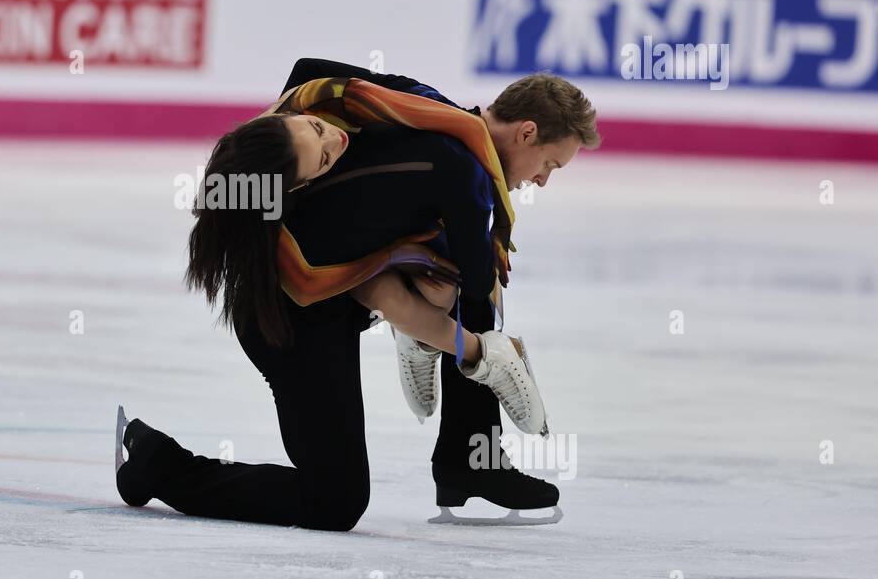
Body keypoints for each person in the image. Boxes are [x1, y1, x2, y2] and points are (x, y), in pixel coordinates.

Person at [116, 58, 600, 530]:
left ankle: (467, 458)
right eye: (550, 165)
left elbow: (307, 73)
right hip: (289, 326)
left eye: (322, 130)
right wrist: (485, 356)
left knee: (458, 289)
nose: (542, 179)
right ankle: (158, 463)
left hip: (334, 301)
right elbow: (431, 293)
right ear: (528, 132)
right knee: (335, 501)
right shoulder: (459, 167)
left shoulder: (413, 105)